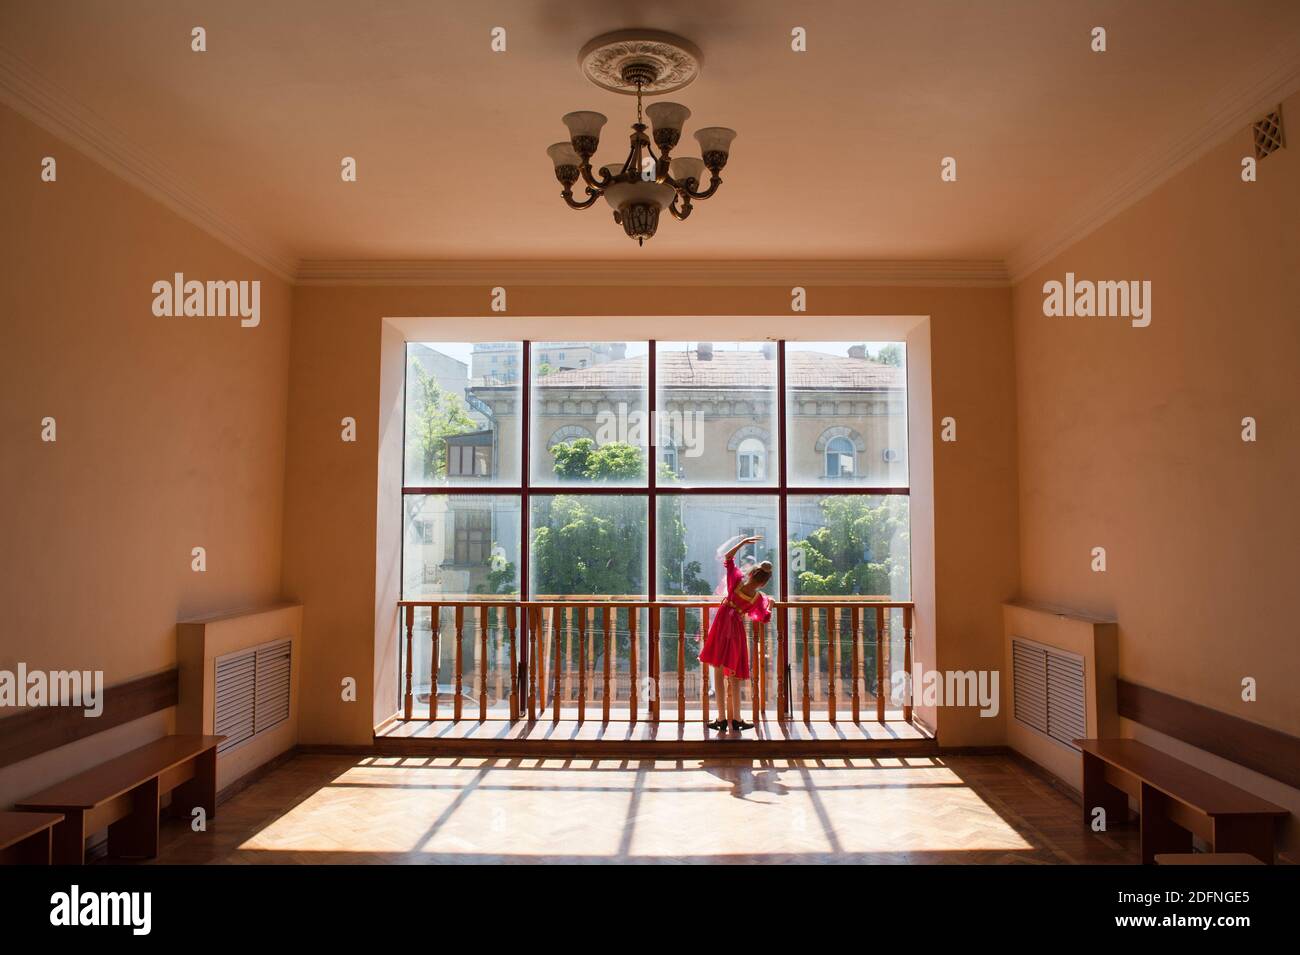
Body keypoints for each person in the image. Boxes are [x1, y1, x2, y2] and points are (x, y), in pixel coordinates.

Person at [699, 535, 772, 736]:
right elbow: (764, 617)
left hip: (722, 625)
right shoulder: (758, 598)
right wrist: (771, 605)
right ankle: (737, 719)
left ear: (752, 573)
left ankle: (721, 718)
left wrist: (742, 543)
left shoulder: (737, 581)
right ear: (763, 583)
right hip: (736, 630)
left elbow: (727, 558)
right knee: (734, 675)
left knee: (717, 669)